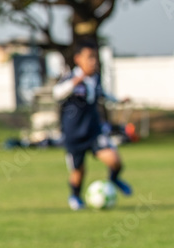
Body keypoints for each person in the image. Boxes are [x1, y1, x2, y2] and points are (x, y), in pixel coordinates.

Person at [52, 40, 133, 210]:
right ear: (78, 59)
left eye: (94, 58)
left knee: (114, 160)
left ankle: (114, 178)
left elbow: (102, 94)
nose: (93, 62)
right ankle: (75, 197)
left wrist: (118, 100)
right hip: (74, 134)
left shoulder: (95, 79)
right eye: (89, 58)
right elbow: (57, 93)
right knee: (78, 172)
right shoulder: (70, 78)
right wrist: (76, 80)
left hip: (94, 131)